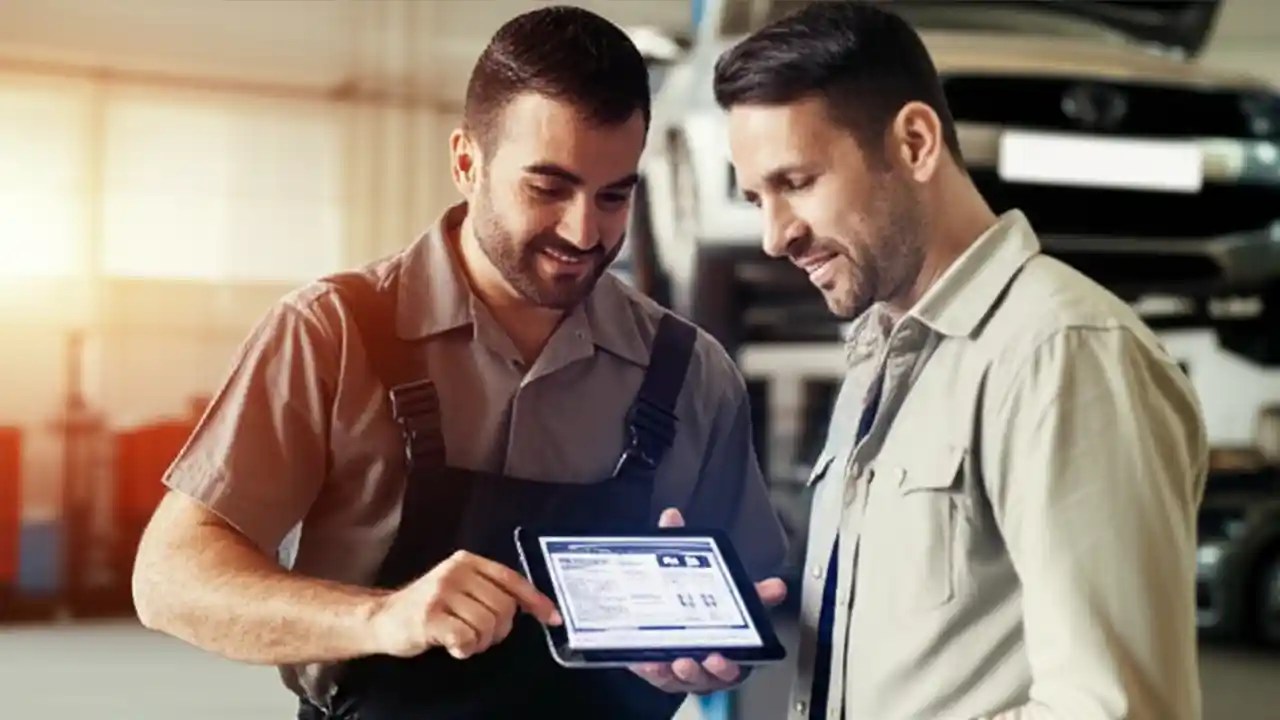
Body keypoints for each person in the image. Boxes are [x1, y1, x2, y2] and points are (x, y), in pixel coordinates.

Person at [131, 6, 787, 719]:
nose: (583, 231)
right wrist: (381, 617)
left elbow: (747, 590)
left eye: (613, 196)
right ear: (466, 162)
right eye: (548, 188)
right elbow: (170, 579)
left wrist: (692, 650)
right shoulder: (334, 333)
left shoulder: (691, 375)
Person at [713, 2, 1208, 719]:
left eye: (796, 183)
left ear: (915, 143)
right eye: (757, 198)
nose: (773, 235)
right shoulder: (879, 357)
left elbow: (1114, 709)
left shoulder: (1062, 353)